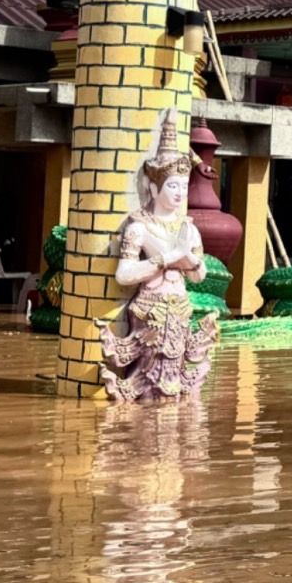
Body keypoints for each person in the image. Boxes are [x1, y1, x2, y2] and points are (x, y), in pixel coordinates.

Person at [99, 110, 219, 403]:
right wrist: (167, 258)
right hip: (150, 312)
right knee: (149, 388)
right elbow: (124, 275)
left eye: (182, 185)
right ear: (153, 187)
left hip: (179, 310)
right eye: (172, 185)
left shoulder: (187, 229)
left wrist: (188, 259)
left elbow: (199, 275)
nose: (179, 193)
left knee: (174, 387)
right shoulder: (139, 228)